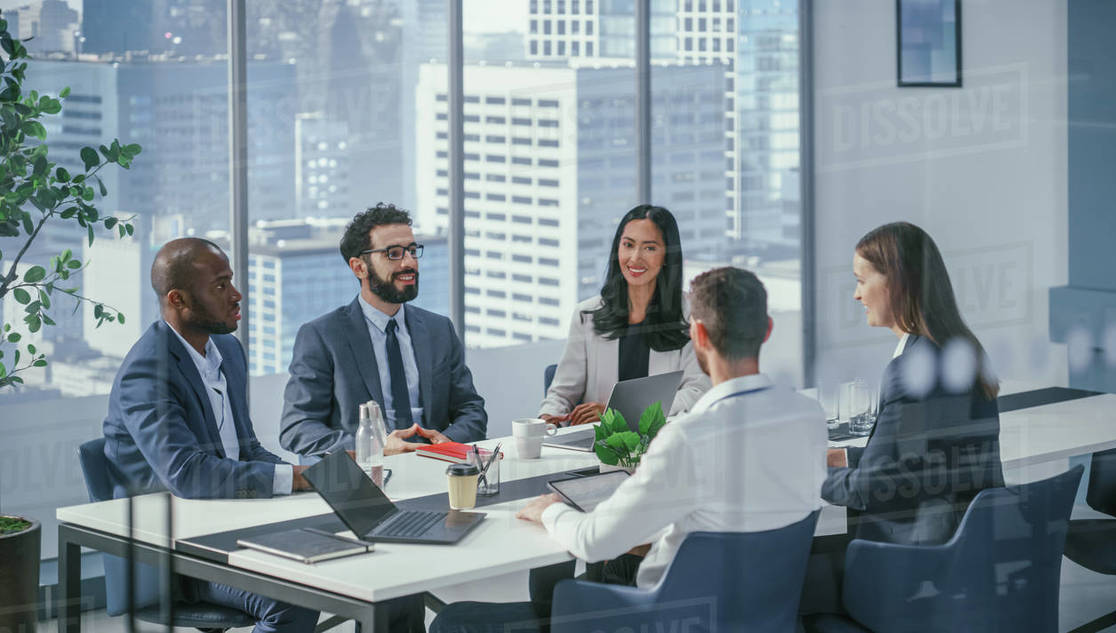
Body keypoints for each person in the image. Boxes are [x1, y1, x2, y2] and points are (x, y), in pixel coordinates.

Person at [430, 267, 828, 633]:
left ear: (700, 335)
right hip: (758, 617)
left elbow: (593, 542)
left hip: (660, 618)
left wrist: (549, 508)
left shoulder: (688, 438)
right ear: (768, 329)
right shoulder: (808, 417)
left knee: (455, 620)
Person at [103, 238, 318, 633]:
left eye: (231, 281)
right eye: (220, 285)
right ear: (178, 299)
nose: (237, 295)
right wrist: (295, 478)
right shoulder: (147, 373)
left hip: (231, 525)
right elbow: (187, 474)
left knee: (352, 560)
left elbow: (247, 448)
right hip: (175, 552)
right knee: (297, 599)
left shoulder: (226, 350)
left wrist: (309, 477)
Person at [800, 221, 1005, 619]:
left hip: (914, 565)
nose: (856, 294)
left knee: (795, 573)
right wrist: (842, 458)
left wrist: (809, 472)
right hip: (970, 556)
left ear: (894, 283)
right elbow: (918, 459)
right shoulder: (964, 351)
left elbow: (870, 490)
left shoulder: (911, 370)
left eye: (861, 280)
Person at [279, 203, 486, 457]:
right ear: (359, 267)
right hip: (364, 477)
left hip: (435, 466)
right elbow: (297, 427)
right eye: (394, 253)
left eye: (412, 251)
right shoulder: (322, 336)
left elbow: (472, 410)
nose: (409, 262)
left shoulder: (438, 329)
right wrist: (376, 448)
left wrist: (445, 442)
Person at [538, 204, 709, 427]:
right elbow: (560, 394)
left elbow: (698, 392)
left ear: (667, 254)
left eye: (649, 248)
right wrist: (546, 422)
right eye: (628, 245)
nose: (635, 258)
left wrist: (619, 413)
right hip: (599, 449)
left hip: (663, 441)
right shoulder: (586, 314)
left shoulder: (692, 316)